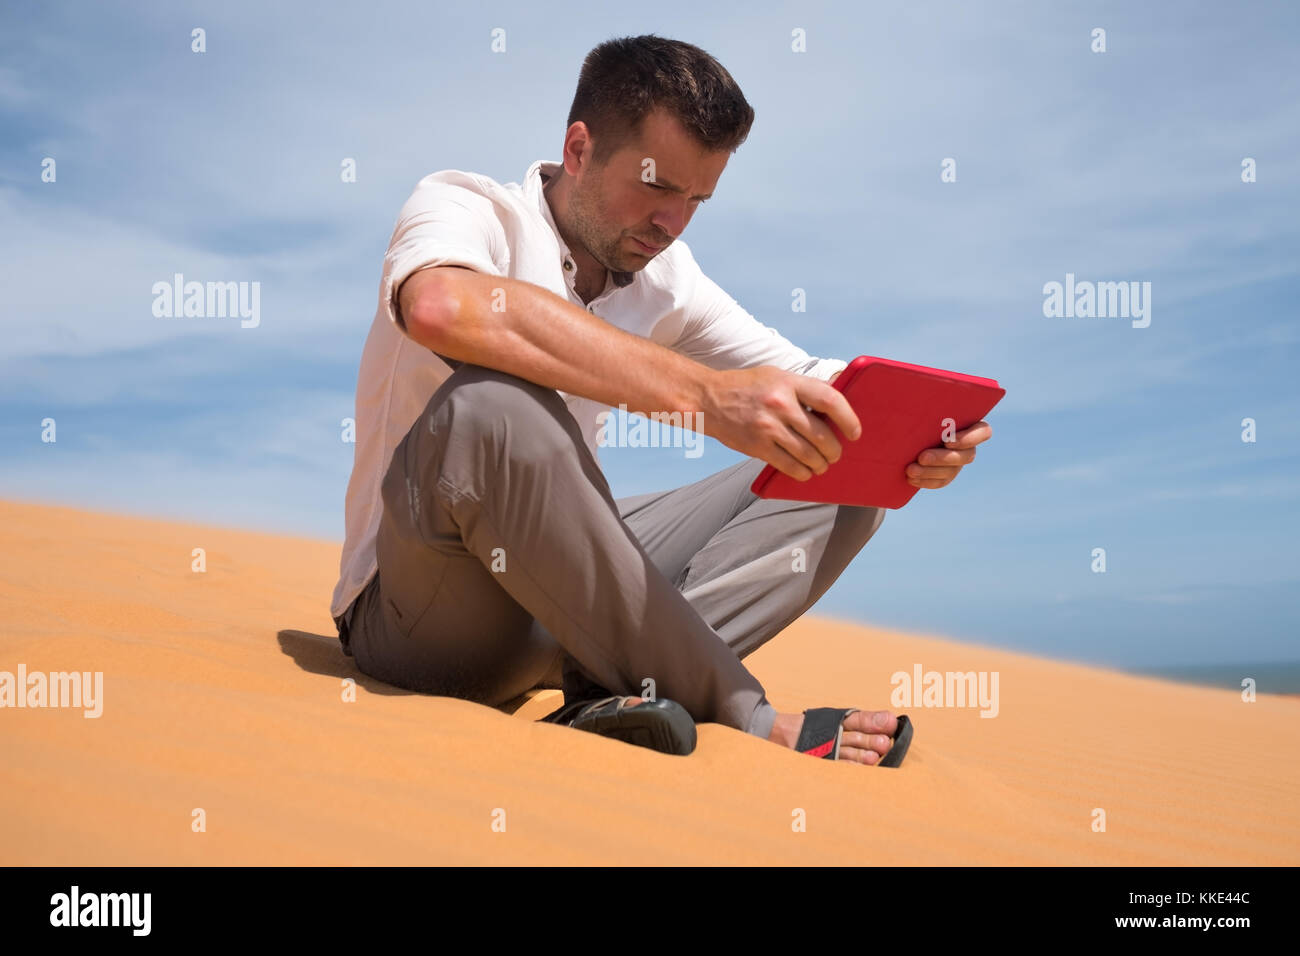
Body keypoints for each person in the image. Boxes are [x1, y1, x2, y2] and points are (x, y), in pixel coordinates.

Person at [330, 34, 991, 763]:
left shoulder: (667, 280)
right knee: (492, 407)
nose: (671, 223)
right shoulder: (466, 206)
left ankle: (616, 697)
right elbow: (442, 308)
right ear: (578, 148)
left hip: (566, 610)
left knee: (833, 452)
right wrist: (706, 398)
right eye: (656, 187)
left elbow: (809, 383)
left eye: (696, 200)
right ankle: (744, 711)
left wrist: (924, 436)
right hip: (420, 616)